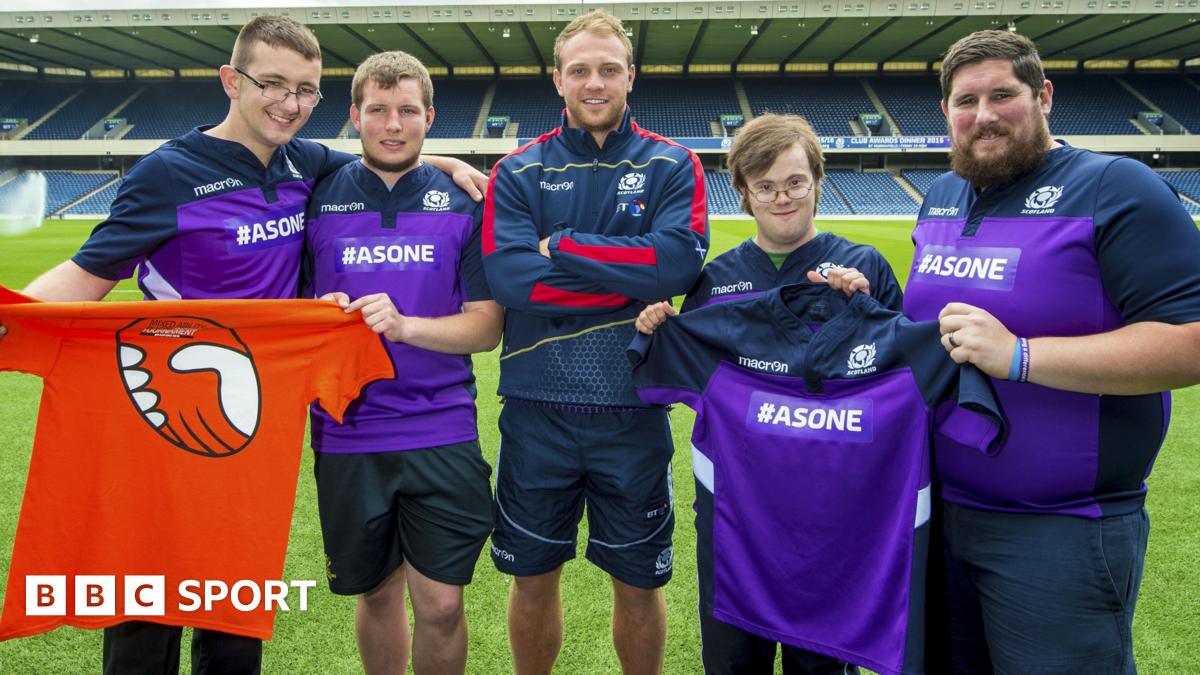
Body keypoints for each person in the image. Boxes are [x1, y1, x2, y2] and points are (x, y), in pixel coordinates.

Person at [5, 15, 485, 675]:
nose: (289, 103)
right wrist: (15, 317)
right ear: (232, 81)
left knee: (234, 605)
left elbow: (381, 156)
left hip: (256, 422)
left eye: (306, 91)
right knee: (149, 603)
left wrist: (443, 161)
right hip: (167, 413)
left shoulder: (304, 163)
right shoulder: (168, 174)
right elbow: (86, 275)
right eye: (273, 85)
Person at [825, 29, 1200, 673]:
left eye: (1003, 94)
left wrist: (1022, 355)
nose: (984, 115)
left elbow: (1191, 341)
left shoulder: (1116, 188)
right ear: (945, 111)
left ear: (1043, 95)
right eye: (966, 100)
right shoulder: (943, 195)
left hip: (1060, 527)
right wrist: (870, 310)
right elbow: (935, 338)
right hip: (934, 513)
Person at [481, 9, 708, 674]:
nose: (595, 81)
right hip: (535, 410)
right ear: (558, 80)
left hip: (633, 410)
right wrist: (627, 281)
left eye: (609, 68)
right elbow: (512, 280)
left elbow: (676, 267)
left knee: (640, 583)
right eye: (579, 69)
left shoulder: (673, 163)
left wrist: (567, 247)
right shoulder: (517, 172)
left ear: (630, 76)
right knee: (531, 577)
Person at [636, 113, 901, 674]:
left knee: (821, 666)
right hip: (737, 517)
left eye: (796, 183)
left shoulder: (864, 267)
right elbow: (673, 381)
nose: (782, 199)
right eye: (766, 187)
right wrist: (653, 332)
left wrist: (865, 310)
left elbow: (900, 383)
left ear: (818, 182)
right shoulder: (714, 281)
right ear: (743, 194)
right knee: (733, 664)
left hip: (832, 517)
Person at [302, 51, 502, 675]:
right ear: (355, 115)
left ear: (429, 116)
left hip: (441, 427)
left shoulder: (463, 202)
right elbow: (286, 303)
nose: (394, 125)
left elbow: (488, 327)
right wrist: (319, 309)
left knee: (441, 603)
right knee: (377, 592)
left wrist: (406, 325)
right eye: (380, 111)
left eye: (408, 111)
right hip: (346, 429)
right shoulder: (315, 195)